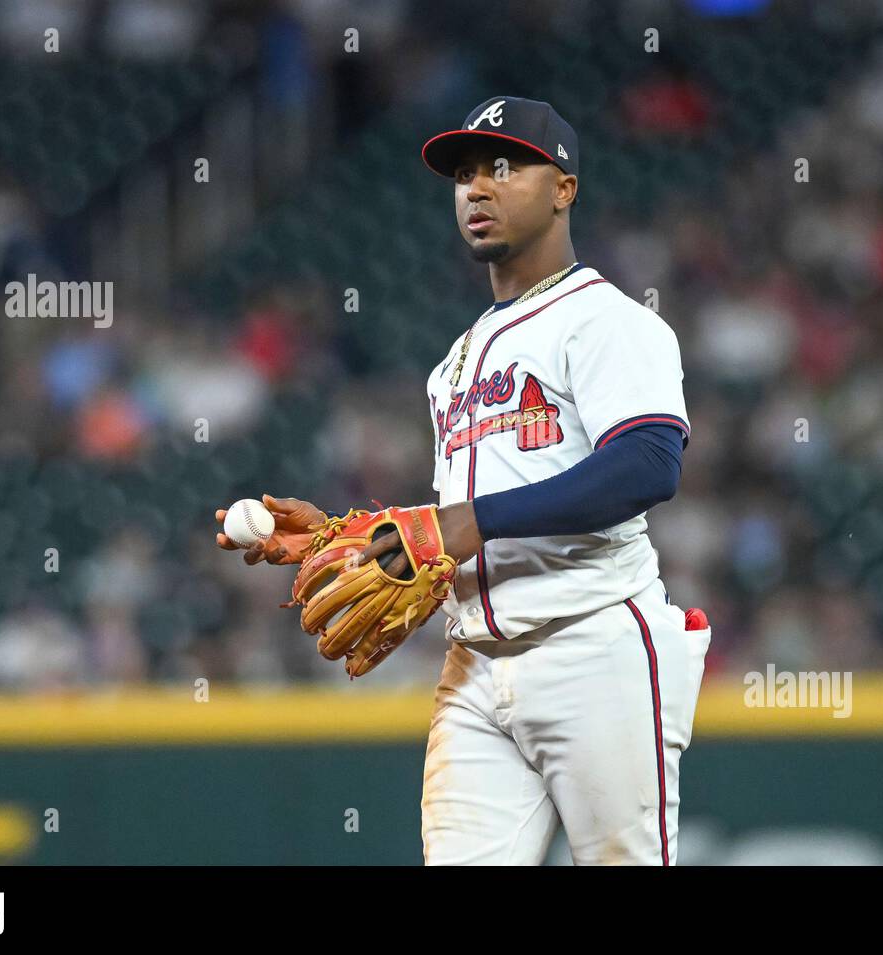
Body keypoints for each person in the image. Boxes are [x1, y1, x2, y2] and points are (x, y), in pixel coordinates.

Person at [217, 97, 710, 865]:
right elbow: (458, 519)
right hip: (474, 664)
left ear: (564, 188)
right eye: (465, 174)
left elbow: (648, 463)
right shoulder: (453, 363)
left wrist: (458, 525)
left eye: (504, 168)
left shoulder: (610, 320)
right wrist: (343, 537)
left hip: (593, 645)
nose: (476, 188)